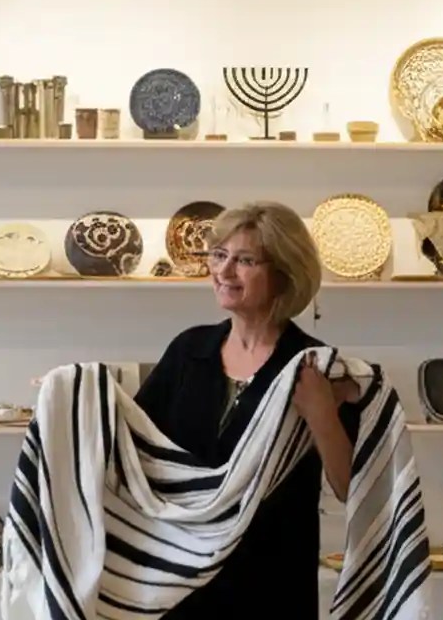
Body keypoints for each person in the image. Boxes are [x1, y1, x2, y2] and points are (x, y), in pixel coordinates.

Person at [133, 200, 361, 618]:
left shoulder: (315, 365)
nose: (223, 271)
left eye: (245, 260)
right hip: (181, 579)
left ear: (283, 274)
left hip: (270, 584)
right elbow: (134, 450)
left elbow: (351, 488)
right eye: (219, 256)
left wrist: (321, 414)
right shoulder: (189, 351)